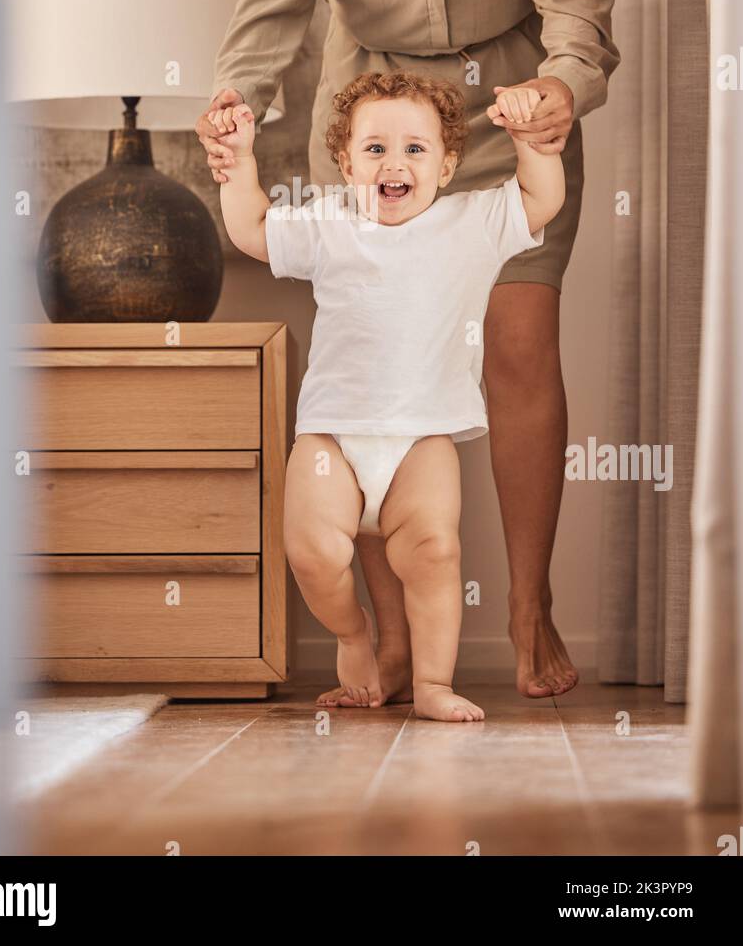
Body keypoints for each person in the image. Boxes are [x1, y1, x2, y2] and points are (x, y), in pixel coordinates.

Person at [196, 0, 620, 703]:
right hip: (373, 123)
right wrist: (237, 93)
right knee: (382, 357)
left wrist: (561, 89)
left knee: (520, 344)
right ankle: (389, 643)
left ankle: (525, 614)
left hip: (504, 114)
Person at [209, 70, 565, 721]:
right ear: (345, 162)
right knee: (312, 551)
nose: (393, 163)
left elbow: (540, 200)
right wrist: (238, 163)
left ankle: (432, 683)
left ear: (447, 163)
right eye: (374, 149)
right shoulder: (329, 224)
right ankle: (353, 635)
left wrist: (530, 141)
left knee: (434, 552)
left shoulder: (471, 223)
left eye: (415, 149)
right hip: (332, 440)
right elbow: (253, 229)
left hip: (423, 439)